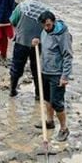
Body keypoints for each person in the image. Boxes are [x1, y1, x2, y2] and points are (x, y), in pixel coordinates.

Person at [31, 11, 73, 142]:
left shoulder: (63, 35)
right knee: (47, 98)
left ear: (53, 22)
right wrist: (38, 41)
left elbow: (68, 55)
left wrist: (65, 76)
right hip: (45, 71)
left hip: (57, 73)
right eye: (44, 26)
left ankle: (64, 129)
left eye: (48, 25)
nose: (46, 28)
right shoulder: (44, 31)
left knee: (57, 102)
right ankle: (49, 121)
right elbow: (46, 46)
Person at [9, 0, 49, 98]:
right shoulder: (46, 10)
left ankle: (12, 90)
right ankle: (38, 94)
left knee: (17, 66)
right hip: (38, 43)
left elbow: (12, 20)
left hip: (21, 41)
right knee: (36, 68)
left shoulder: (22, 7)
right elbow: (49, 27)